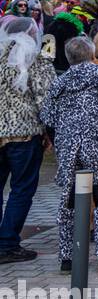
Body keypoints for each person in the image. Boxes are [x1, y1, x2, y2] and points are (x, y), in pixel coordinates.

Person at [41, 36, 98, 272]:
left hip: (70, 144)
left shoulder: (60, 81)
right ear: (92, 55)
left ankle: (67, 256)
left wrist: (61, 139)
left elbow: (48, 118)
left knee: (70, 198)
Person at [0, 18, 54, 263]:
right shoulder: (36, 58)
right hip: (24, 133)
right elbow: (46, 99)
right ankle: (8, 242)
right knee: (22, 189)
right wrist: (52, 133)